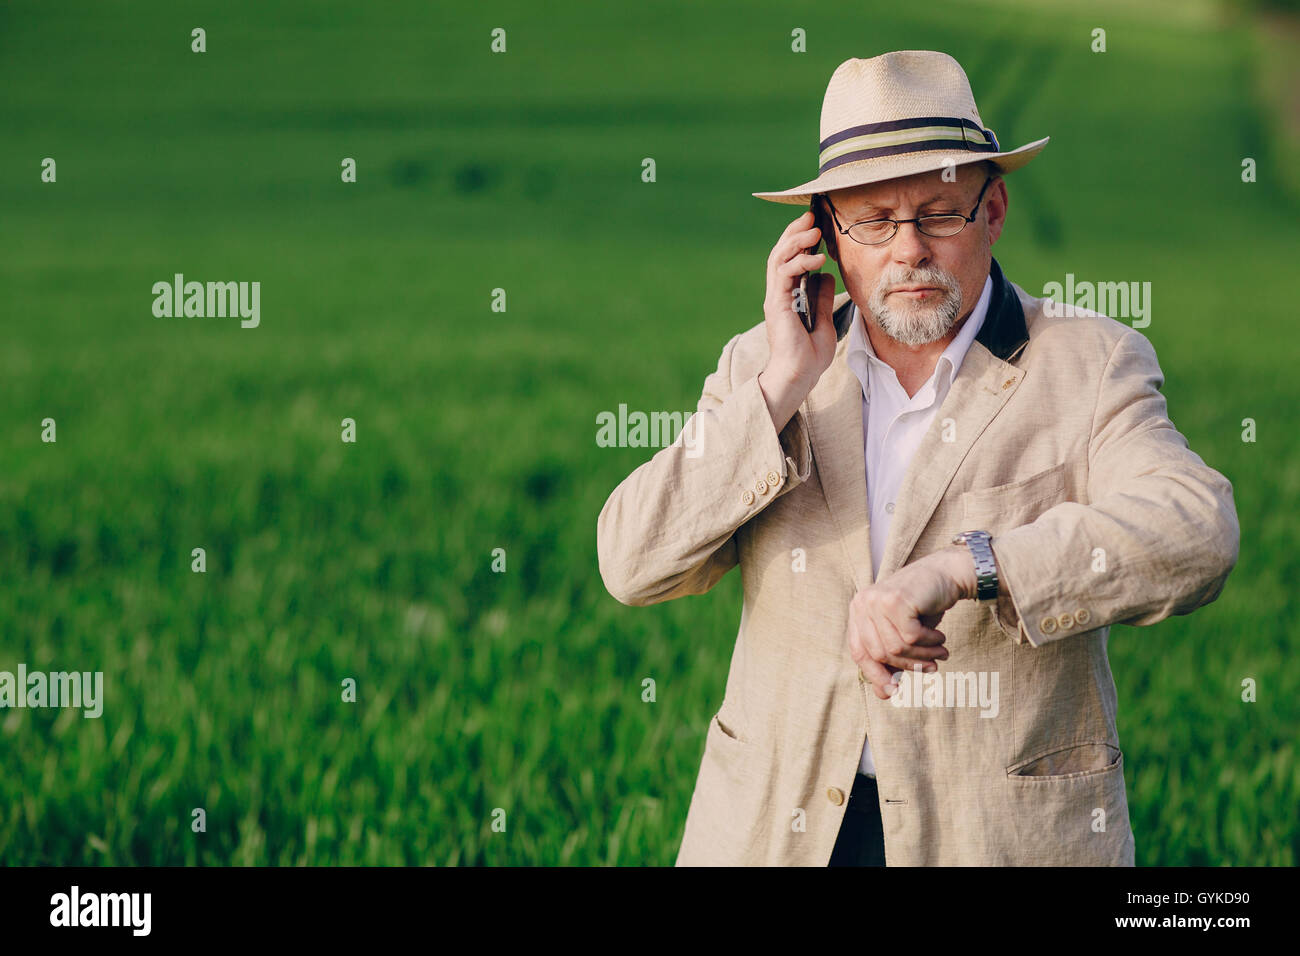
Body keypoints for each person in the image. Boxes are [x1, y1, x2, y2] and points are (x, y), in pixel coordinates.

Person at [596, 50, 1239, 866]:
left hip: (996, 838)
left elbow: (1197, 531)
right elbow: (632, 562)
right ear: (823, 234)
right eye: (872, 220)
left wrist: (969, 567)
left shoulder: (1090, 362)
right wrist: (782, 384)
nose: (909, 251)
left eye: (939, 212)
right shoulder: (765, 371)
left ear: (994, 208)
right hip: (777, 831)